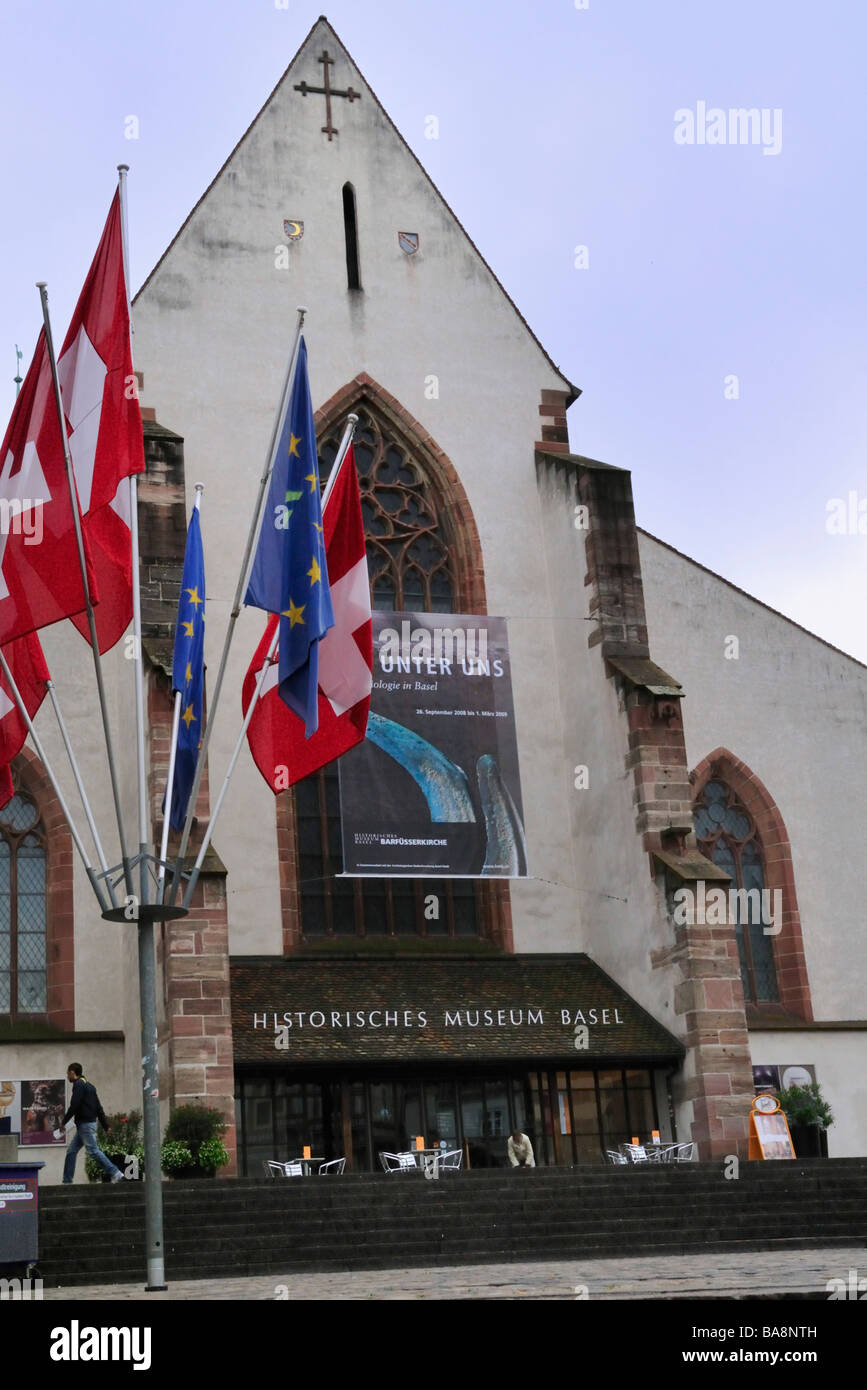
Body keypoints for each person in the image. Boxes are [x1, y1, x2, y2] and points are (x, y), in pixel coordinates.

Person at [61, 1063, 124, 1184]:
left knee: (93, 1151)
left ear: (73, 1073)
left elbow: (74, 1105)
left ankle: (116, 1173)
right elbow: (98, 1108)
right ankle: (67, 1181)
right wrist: (106, 1126)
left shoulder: (79, 1085)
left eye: (68, 1073)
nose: (67, 1076)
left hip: (85, 1125)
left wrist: (63, 1122)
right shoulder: (90, 1086)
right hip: (84, 1126)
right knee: (71, 1151)